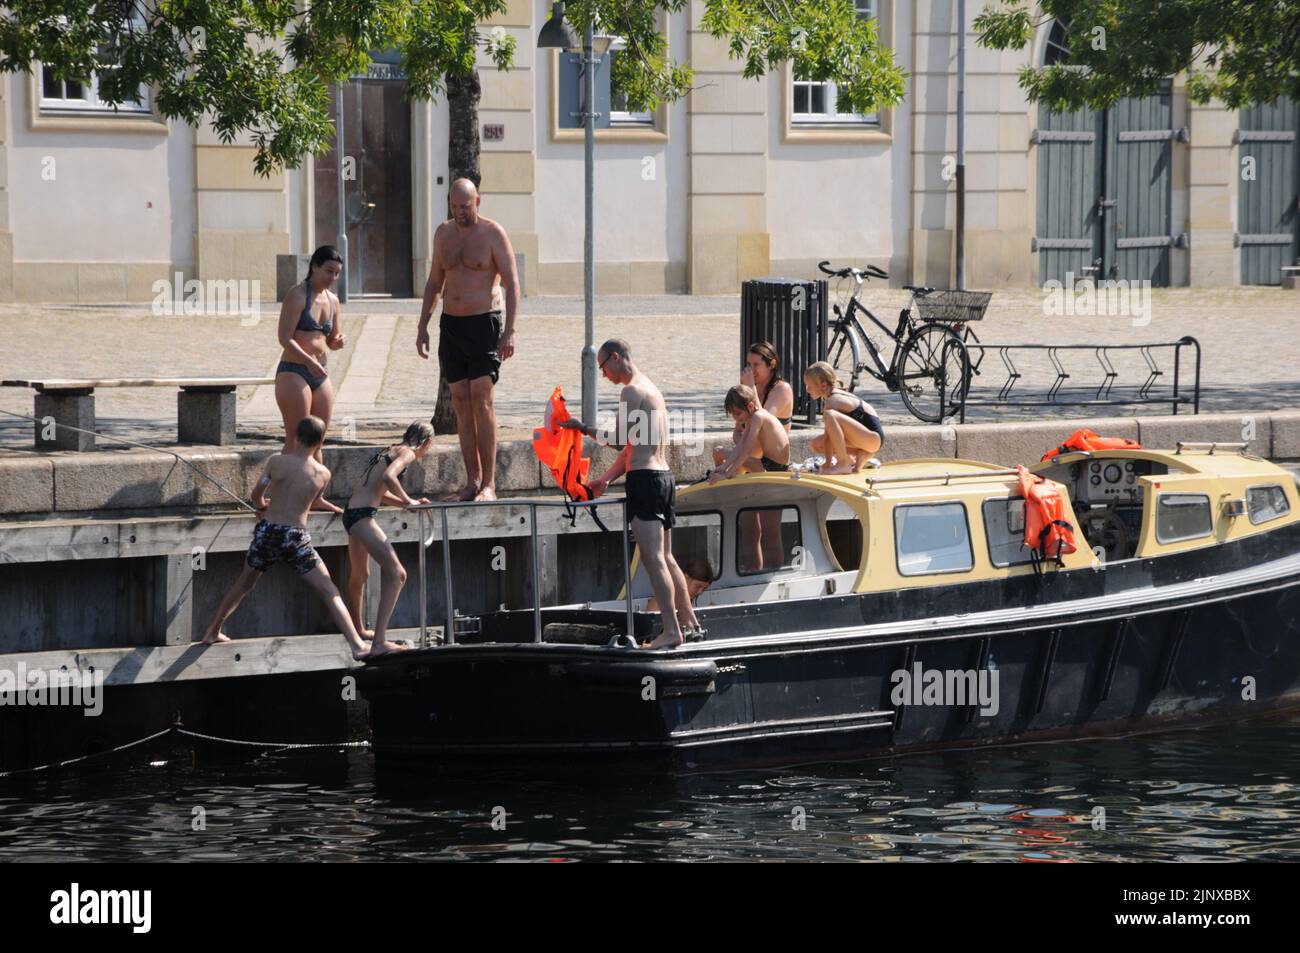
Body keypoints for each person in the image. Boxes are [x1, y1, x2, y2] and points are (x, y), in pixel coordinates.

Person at [560, 339, 700, 650]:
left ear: (615, 357)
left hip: (645, 483)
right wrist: (606, 480)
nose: (604, 375)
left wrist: (584, 428)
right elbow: (635, 447)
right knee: (666, 557)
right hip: (664, 479)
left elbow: (622, 440)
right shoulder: (651, 388)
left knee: (653, 560)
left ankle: (671, 631)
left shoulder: (630, 391)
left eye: (602, 367)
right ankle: (690, 623)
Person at [199, 416, 369, 660]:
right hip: (295, 537)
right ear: (320, 442)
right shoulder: (323, 473)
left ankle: (212, 630)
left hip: (268, 531)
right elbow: (312, 500)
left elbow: (257, 495)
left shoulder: (275, 462)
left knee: (244, 584)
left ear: (295, 436)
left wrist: (263, 507)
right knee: (328, 589)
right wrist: (334, 509)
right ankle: (356, 644)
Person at [416, 178, 520, 502]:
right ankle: (471, 480)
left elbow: (513, 284)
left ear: (477, 201)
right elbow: (435, 282)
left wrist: (510, 330)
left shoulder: (493, 233)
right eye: (455, 206)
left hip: (484, 323)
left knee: (482, 398)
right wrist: (423, 326)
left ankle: (490, 483)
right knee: (460, 401)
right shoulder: (443, 234)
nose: (460, 212)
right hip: (452, 326)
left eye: (466, 205)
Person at [341, 422, 434, 658]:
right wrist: (410, 502)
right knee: (397, 574)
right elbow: (389, 477)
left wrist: (407, 503)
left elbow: (379, 492)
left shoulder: (388, 450)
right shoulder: (408, 453)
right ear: (426, 443)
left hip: (351, 513)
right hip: (362, 517)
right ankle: (380, 642)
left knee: (360, 576)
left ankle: (359, 629)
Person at [275, 245, 347, 513]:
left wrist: (338, 342)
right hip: (294, 370)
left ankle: (316, 496)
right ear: (314, 266)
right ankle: (279, 493)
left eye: (337, 273)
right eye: (329, 271)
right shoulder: (297, 295)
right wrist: (308, 361)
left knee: (318, 438)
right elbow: (285, 338)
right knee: (296, 438)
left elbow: (331, 339)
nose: (332, 277)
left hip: (320, 373)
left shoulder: (333, 301)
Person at [711, 385, 792, 571]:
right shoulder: (752, 418)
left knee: (771, 533)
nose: (736, 419)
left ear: (750, 406)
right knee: (719, 453)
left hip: (774, 469)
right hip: (766, 464)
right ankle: (725, 483)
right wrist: (724, 468)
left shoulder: (759, 416)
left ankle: (772, 573)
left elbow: (746, 450)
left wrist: (729, 472)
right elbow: (741, 448)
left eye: (737, 414)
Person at [803, 361, 885, 474]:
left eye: (809, 386)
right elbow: (831, 438)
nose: (807, 390)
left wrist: (827, 464)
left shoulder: (833, 401)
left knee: (829, 415)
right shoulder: (832, 397)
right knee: (816, 445)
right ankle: (855, 458)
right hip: (866, 439)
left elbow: (828, 439)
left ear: (823, 385)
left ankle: (843, 464)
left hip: (873, 438)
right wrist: (828, 464)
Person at [646, 558, 714, 613]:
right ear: (685, 578)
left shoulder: (688, 600)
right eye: (697, 586)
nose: (700, 592)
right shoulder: (662, 600)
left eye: (704, 588)